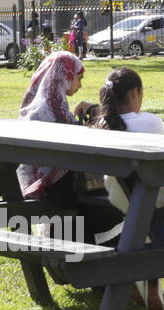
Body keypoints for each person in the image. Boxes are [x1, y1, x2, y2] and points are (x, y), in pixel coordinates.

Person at [93, 66, 164, 309]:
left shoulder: (102, 125)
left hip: (119, 198)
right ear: (134, 94)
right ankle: (148, 279)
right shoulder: (150, 122)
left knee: (142, 226)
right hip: (159, 200)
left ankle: (139, 280)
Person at [15, 52, 122, 249]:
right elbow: (84, 143)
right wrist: (96, 113)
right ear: (64, 75)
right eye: (78, 78)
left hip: (45, 187)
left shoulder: (35, 105)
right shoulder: (54, 108)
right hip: (61, 188)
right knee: (118, 206)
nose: (80, 85)